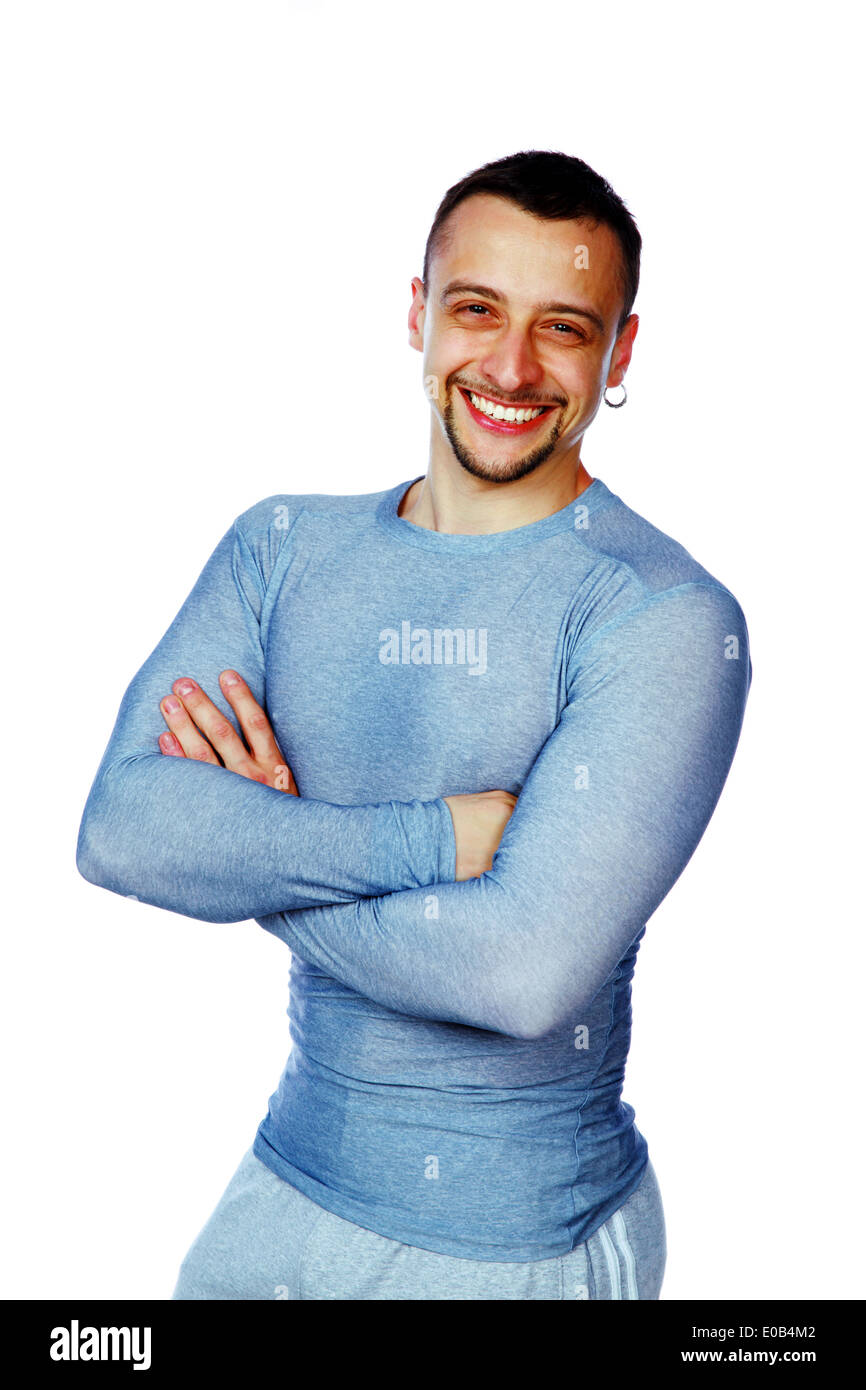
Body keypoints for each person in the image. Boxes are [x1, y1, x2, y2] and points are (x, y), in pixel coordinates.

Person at [76, 149, 752, 1300]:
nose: (509, 365)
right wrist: (431, 841)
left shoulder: (662, 617)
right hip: (278, 1193)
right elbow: (120, 833)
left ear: (620, 353)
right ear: (416, 315)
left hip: (507, 1251)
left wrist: (249, 849)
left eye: (564, 327)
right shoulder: (281, 545)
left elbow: (519, 974)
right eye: (476, 309)